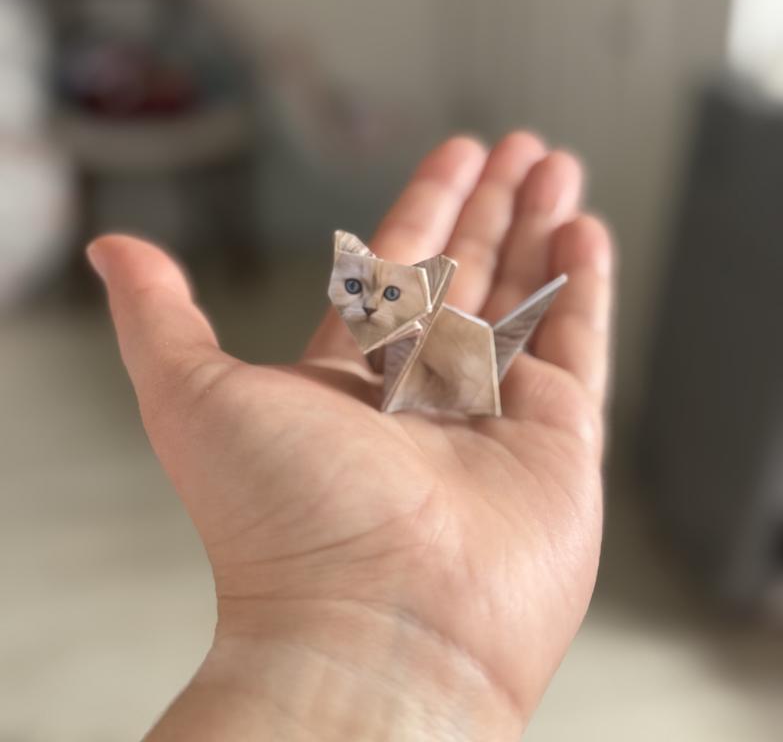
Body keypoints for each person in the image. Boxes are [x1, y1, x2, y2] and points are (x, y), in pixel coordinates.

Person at [87, 131, 613, 741]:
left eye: (384, 295)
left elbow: (422, 360)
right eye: (357, 287)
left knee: (455, 353)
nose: (364, 307)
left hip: (463, 377)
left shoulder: (420, 336)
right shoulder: (384, 327)